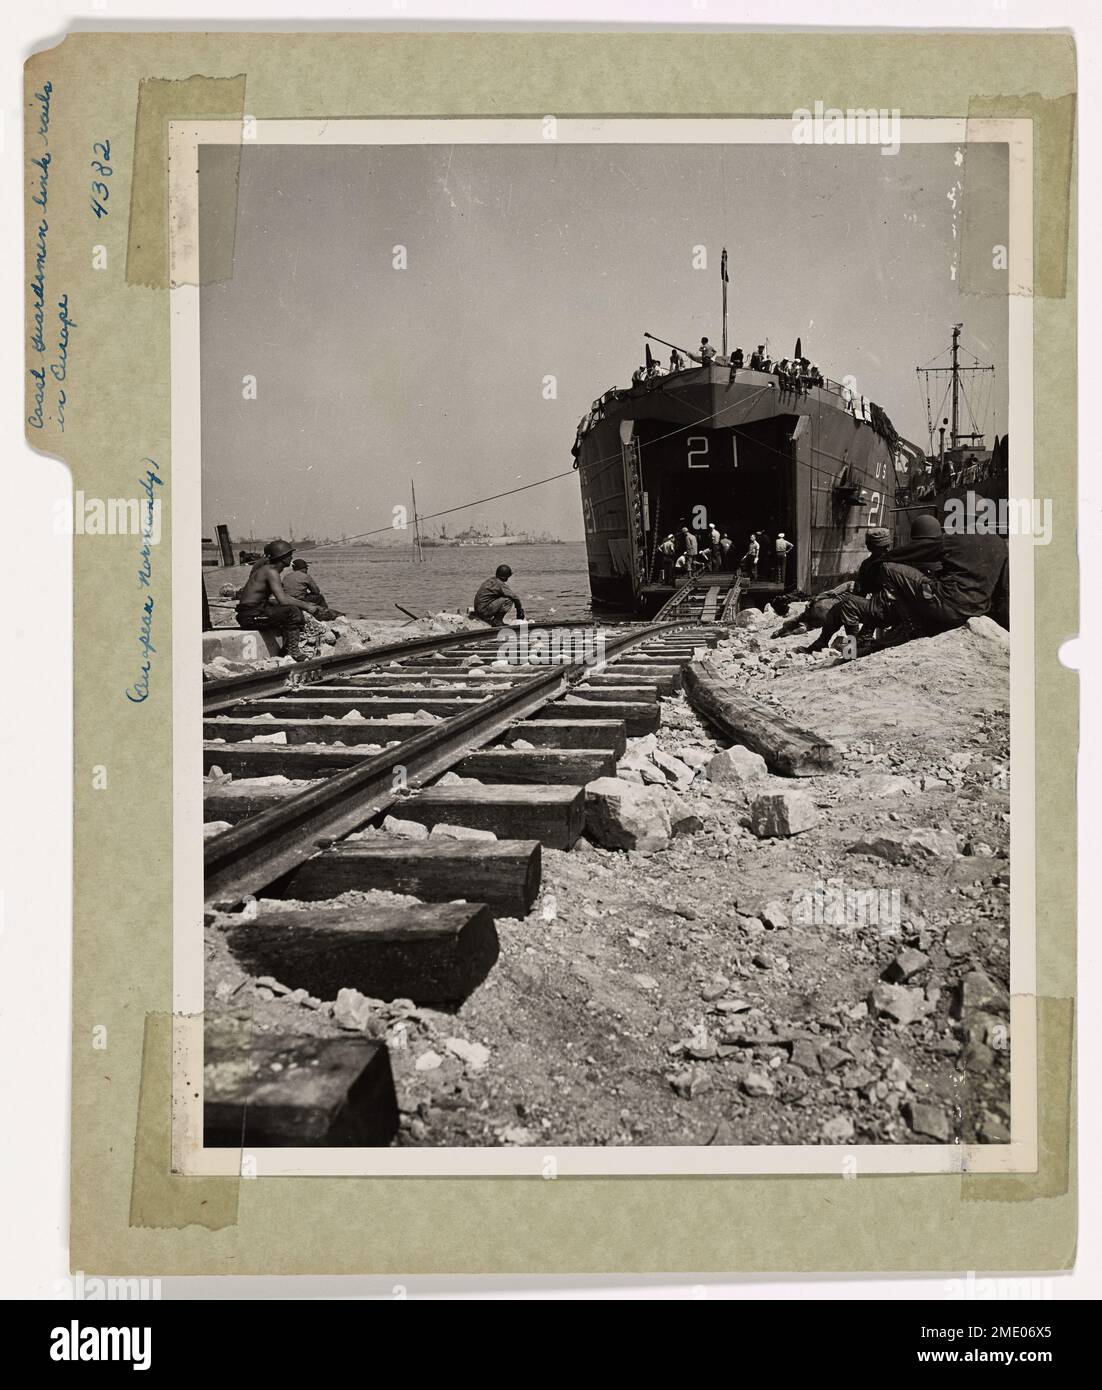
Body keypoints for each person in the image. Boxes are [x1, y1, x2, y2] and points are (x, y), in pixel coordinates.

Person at [804, 515, 1008, 652]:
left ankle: (849, 649)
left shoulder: (877, 564)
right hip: (917, 611)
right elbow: (1003, 592)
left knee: (847, 605)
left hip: (892, 612)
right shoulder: (996, 544)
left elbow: (863, 595)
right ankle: (848, 643)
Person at [235, 539, 322, 661]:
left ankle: (285, 650)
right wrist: (307, 606)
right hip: (251, 616)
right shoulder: (271, 572)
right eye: (289, 555)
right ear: (282, 557)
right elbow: (283, 599)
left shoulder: (267, 569)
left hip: (252, 612)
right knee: (293, 612)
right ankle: (294, 652)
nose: (291, 558)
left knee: (287, 610)